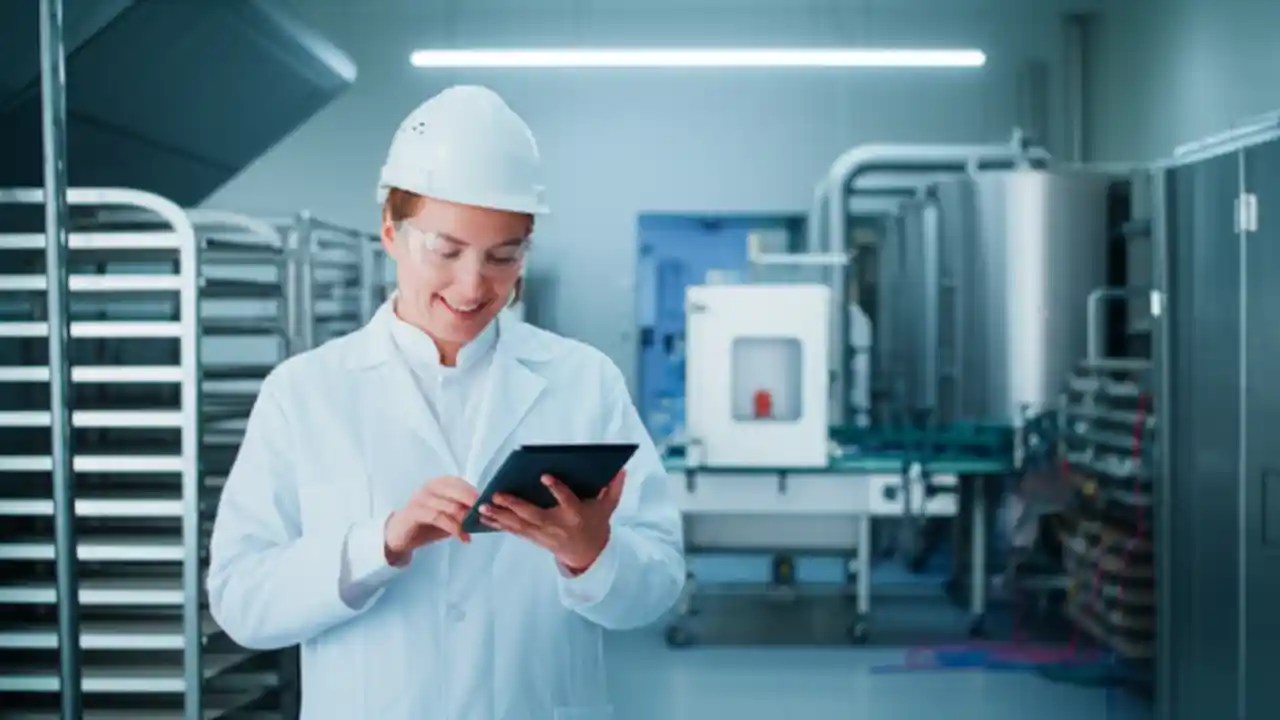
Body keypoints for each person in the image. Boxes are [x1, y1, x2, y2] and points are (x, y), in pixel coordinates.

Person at [207, 85, 685, 720]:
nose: (472, 285)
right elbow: (241, 601)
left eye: (503, 257)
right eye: (446, 251)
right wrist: (379, 545)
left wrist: (591, 554)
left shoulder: (583, 381)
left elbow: (659, 584)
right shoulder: (306, 392)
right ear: (391, 231)